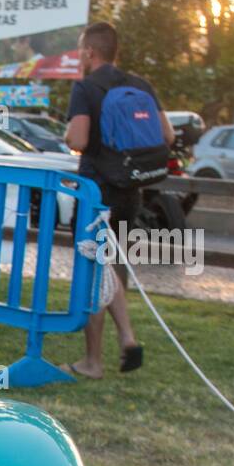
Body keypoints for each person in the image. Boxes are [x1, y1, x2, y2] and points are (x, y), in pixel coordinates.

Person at [61, 21, 175, 380]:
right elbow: (167, 135)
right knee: (112, 266)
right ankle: (123, 339)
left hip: (97, 191)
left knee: (95, 269)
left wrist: (69, 134)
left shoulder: (86, 88)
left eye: (81, 50)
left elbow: (77, 138)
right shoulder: (141, 85)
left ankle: (96, 359)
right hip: (131, 190)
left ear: (90, 52)